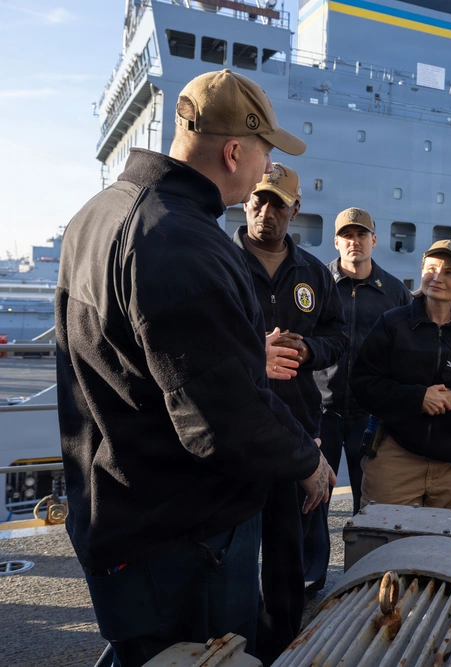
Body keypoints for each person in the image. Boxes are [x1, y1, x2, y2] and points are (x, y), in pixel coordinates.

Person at [55, 69, 336, 667]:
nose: (266, 169)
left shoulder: (99, 213)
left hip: (118, 508)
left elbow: (137, 359)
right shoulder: (182, 239)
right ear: (235, 151)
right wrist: (307, 459)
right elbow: (221, 419)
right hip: (183, 536)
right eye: (265, 154)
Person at [233, 163, 348, 664]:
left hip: (295, 430)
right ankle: (229, 640)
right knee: (231, 549)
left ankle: (280, 649)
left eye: (278, 203)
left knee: (286, 553)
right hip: (233, 430)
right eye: (259, 200)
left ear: (295, 211)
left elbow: (339, 336)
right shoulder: (222, 261)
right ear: (245, 203)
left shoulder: (315, 274)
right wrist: (250, 352)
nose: (266, 211)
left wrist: (309, 353)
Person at [350, 240, 451, 510]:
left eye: (449, 272)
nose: (437, 277)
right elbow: (363, 383)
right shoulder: (392, 324)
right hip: (397, 458)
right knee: (388, 548)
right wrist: (417, 397)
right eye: (431, 269)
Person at [309, 207, 409, 591]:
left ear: (373, 241)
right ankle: (312, 576)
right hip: (322, 411)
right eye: (347, 235)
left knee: (371, 502)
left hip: (370, 415)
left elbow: (404, 350)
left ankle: (367, 576)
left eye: (361, 234)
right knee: (314, 497)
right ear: (336, 242)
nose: (354, 241)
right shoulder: (317, 282)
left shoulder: (395, 292)